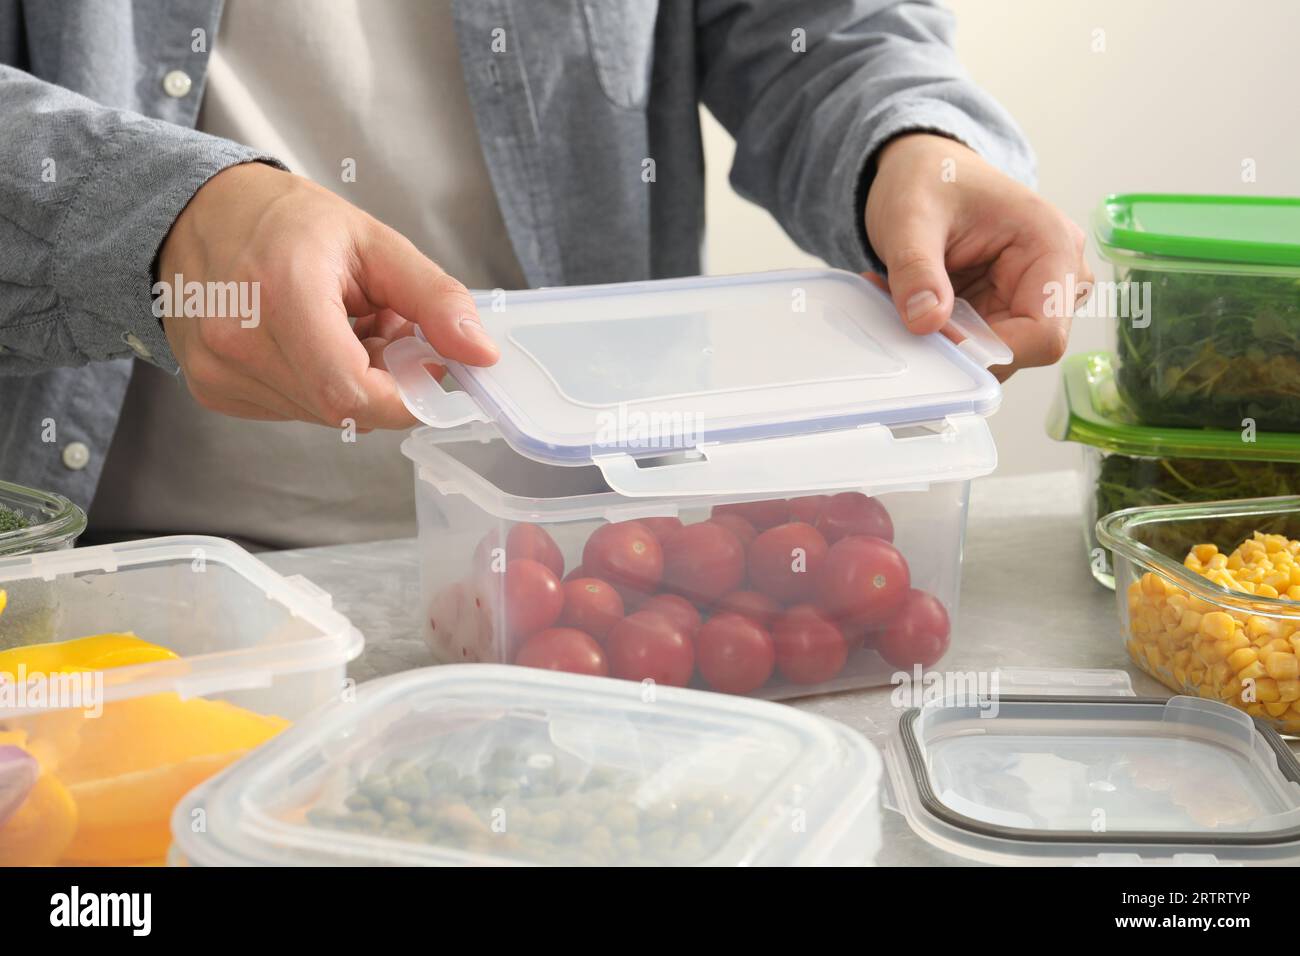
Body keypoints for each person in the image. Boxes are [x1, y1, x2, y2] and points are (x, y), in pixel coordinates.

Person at [0, 0, 1091, 549]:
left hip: (589, 556)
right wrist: (157, 218)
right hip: (96, 574)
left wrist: (909, 139)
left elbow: (812, 25)